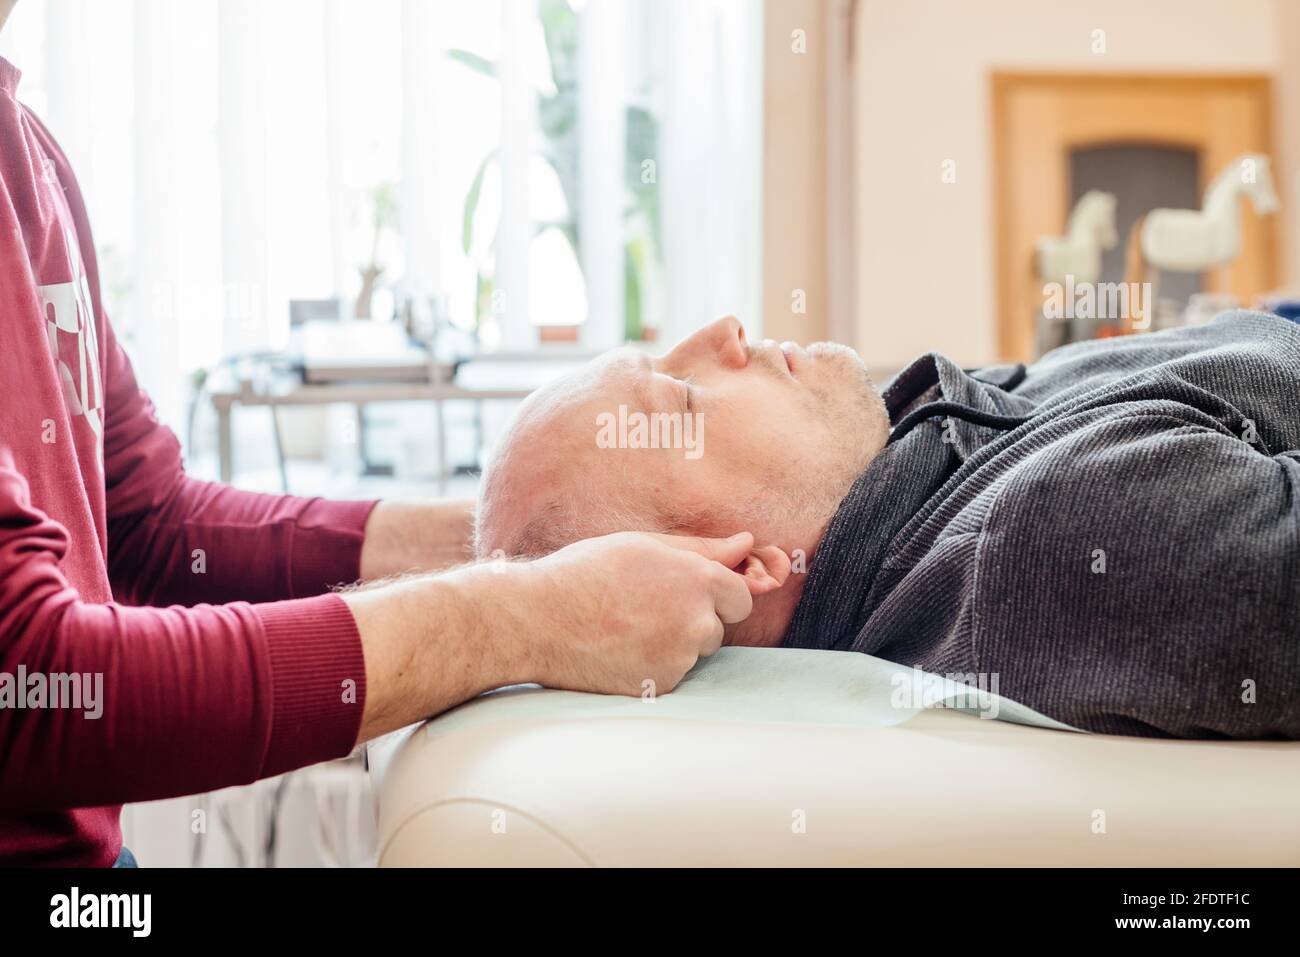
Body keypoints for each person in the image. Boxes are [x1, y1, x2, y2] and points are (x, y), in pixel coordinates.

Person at [0, 0, 762, 867]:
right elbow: (30, 681)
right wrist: (528, 614)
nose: (729, 337)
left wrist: (538, 534)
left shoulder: (29, 154)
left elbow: (148, 522)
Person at [477, 312, 1300, 739]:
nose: (723, 330)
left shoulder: (931, 436)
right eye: (681, 398)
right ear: (737, 569)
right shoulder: (1056, 535)